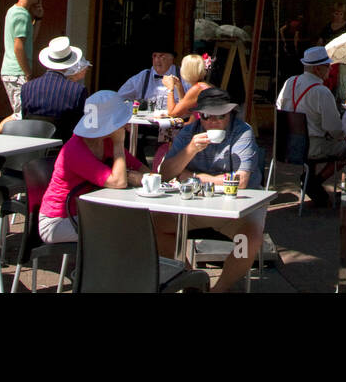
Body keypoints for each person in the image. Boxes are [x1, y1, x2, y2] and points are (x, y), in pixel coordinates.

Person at [158, 88, 266, 292]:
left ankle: (219, 289)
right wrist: (190, 150)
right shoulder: (190, 133)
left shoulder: (242, 131)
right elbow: (165, 173)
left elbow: (240, 182)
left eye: (221, 116)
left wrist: (193, 177)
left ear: (230, 114)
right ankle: (193, 282)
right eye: (207, 116)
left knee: (248, 241)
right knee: (156, 226)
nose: (213, 122)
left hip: (239, 207)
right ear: (200, 116)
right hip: (198, 205)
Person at [38, 90, 147, 245]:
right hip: (57, 222)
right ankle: (100, 269)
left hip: (89, 213)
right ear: (111, 122)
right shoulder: (75, 149)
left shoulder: (105, 141)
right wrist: (119, 143)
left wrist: (137, 176)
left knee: (141, 223)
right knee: (124, 231)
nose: (126, 123)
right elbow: (118, 182)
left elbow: (144, 170)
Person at [276, 47, 346, 207]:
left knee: (320, 142)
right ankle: (314, 182)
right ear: (318, 68)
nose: (330, 69)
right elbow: (334, 129)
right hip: (311, 148)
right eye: (327, 66)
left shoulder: (289, 82)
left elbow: (279, 109)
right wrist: (344, 133)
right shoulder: (321, 91)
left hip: (286, 145)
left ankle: (310, 181)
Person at [20, 36, 91, 136]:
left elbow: (25, 120)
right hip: (63, 146)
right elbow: (80, 125)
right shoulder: (77, 90)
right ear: (69, 64)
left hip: (33, 145)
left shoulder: (27, 88)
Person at [1, 0, 42, 118]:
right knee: (20, 115)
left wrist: (38, 19)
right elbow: (19, 47)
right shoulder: (21, 15)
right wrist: (28, 73)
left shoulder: (16, 11)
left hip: (14, 71)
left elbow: (30, 40)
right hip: (16, 72)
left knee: (20, 114)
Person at [164, 53, 212, 120]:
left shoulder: (197, 88)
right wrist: (179, 86)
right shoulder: (201, 85)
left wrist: (170, 88)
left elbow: (172, 113)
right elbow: (184, 107)